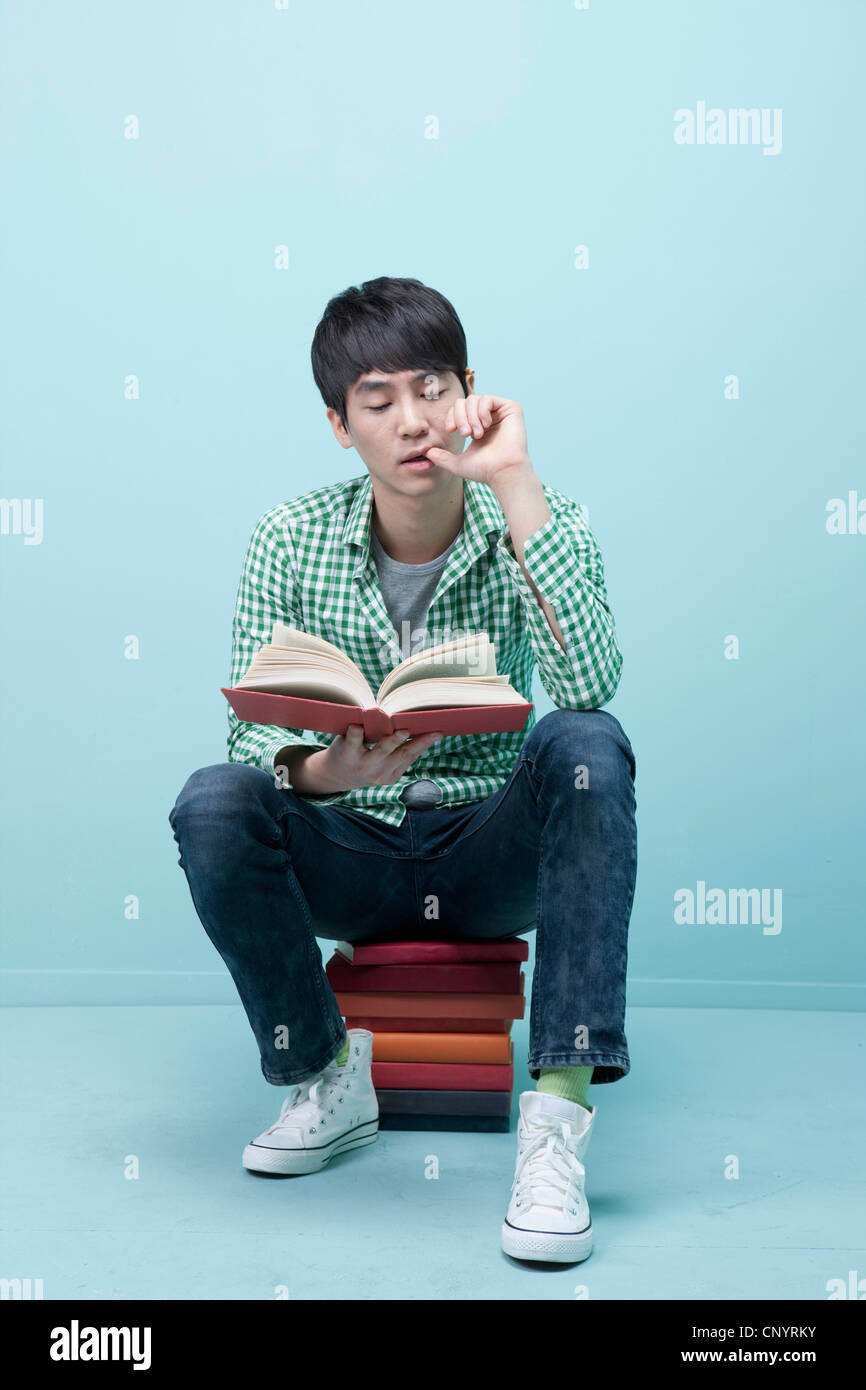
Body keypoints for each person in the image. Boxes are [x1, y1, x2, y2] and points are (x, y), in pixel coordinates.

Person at [168, 275, 637, 1265]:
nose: (412, 421)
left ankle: (554, 1123)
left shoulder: (541, 517)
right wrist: (320, 776)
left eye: (432, 389)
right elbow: (248, 749)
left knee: (587, 743)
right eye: (377, 401)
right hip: (351, 849)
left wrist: (513, 484)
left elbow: (589, 683)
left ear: (469, 390)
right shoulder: (286, 538)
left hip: (483, 849)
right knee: (213, 802)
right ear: (340, 425)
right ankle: (329, 1074)